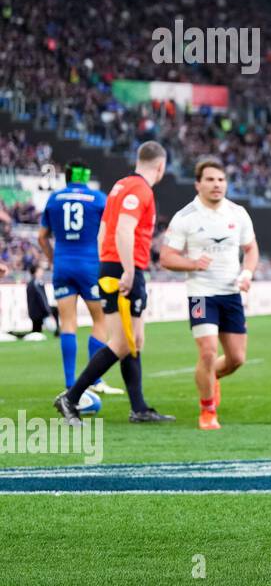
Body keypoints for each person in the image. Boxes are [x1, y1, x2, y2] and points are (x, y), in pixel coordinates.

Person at [55, 141, 175, 425]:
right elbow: (123, 229)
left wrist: (106, 262)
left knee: (135, 340)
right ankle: (71, 397)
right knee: (121, 343)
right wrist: (128, 270)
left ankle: (139, 408)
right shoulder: (140, 190)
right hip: (123, 268)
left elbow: (104, 230)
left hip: (111, 265)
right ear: (161, 166)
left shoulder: (120, 186)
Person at [159, 158, 258, 430]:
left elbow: (251, 250)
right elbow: (166, 257)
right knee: (207, 351)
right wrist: (192, 264)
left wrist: (247, 274)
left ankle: (209, 378)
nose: (217, 184)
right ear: (198, 184)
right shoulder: (185, 217)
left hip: (231, 293)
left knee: (237, 359)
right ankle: (207, 411)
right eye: (211, 179)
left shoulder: (238, 214)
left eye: (221, 179)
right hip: (201, 294)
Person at [38, 162, 120, 394]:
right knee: (101, 321)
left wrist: (54, 259)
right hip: (90, 265)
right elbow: (110, 231)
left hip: (63, 265)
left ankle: (69, 383)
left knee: (68, 323)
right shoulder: (98, 198)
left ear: (66, 177)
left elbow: (42, 237)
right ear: (85, 176)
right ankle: (94, 381)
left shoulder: (54, 198)